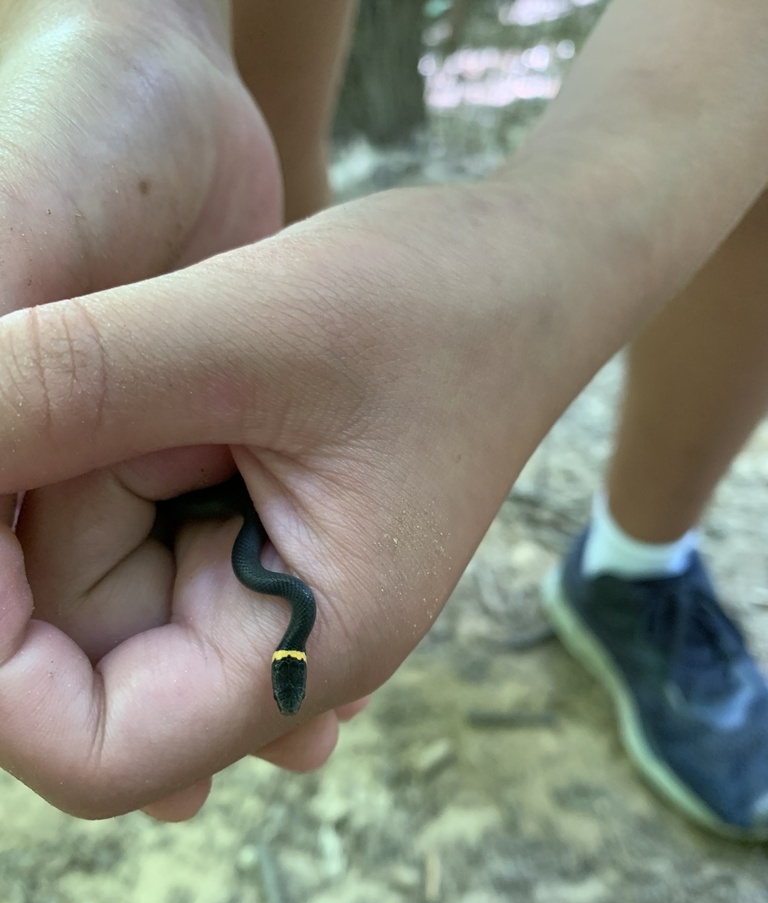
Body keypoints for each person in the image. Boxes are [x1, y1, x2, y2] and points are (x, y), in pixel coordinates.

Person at [0, 0, 765, 829]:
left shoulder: (279, 588)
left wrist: (555, 256)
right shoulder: (275, 588)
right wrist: (147, 27)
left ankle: (640, 561)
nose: (283, 670)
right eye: (284, 666)